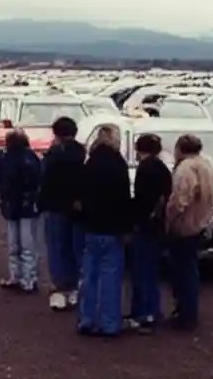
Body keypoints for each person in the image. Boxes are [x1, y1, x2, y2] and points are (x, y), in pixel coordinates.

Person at [76, 126, 132, 337]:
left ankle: (87, 318)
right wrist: (126, 227)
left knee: (89, 275)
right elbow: (123, 199)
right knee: (110, 277)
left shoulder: (89, 164)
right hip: (112, 228)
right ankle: (109, 322)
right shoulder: (118, 165)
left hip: (91, 225)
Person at [164, 133, 213, 332]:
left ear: (179, 149)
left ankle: (185, 315)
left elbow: (180, 201)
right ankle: (188, 312)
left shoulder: (186, 169)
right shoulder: (207, 165)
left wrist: (168, 220)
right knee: (190, 269)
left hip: (185, 226)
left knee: (183, 271)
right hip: (201, 223)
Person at [39, 116, 87, 311]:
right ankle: (76, 288)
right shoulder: (80, 153)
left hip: (55, 206)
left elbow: (45, 180)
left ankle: (59, 289)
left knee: (57, 248)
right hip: (75, 209)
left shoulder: (54, 156)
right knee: (75, 248)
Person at [126, 133, 173, 335]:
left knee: (141, 271)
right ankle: (153, 311)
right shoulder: (163, 169)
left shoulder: (145, 170)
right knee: (151, 271)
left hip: (145, 226)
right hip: (157, 226)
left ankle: (143, 315)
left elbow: (142, 200)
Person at [0, 129, 43, 293]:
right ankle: (27, 278)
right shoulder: (30, 158)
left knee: (15, 245)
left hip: (15, 205)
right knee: (26, 245)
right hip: (26, 206)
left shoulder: (7, 157)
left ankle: (18, 276)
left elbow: (1, 181)